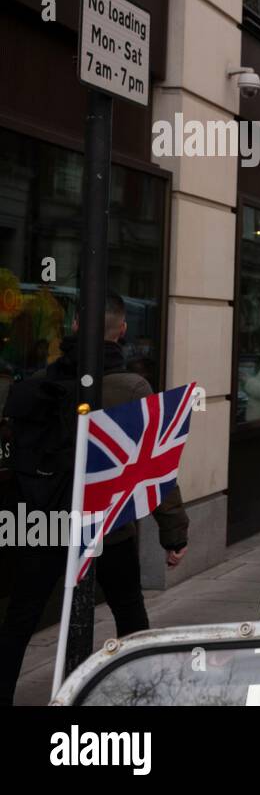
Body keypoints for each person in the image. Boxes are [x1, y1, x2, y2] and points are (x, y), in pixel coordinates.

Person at [0, 293, 188, 706]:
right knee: (129, 614)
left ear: (74, 328)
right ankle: (147, 695)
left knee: (21, 617)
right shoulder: (130, 387)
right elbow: (151, 467)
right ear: (121, 331)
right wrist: (174, 533)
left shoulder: (38, 381)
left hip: (43, 519)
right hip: (107, 524)